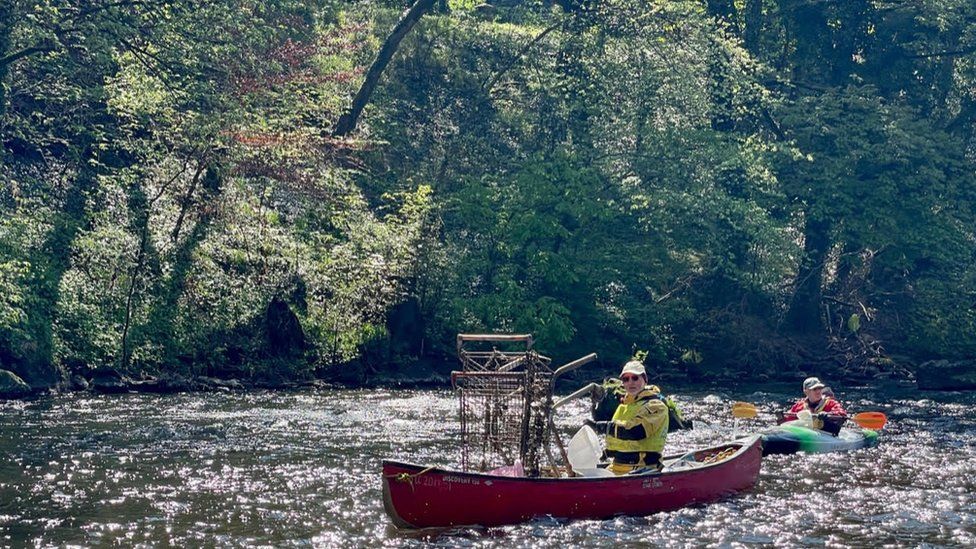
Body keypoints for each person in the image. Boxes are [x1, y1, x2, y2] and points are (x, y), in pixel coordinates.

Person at [585, 360, 669, 474]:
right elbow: (620, 439)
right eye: (626, 379)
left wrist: (599, 427)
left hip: (643, 467)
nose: (630, 382)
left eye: (635, 378)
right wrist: (606, 453)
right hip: (618, 465)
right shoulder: (624, 405)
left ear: (645, 380)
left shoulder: (656, 406)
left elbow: (635, 432)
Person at [781, 377, 848, 435]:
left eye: (820, 388)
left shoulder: (830, 403)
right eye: (814, 389)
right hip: (808, 434)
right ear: (806, 391)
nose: (818, 391)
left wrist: (828, 414)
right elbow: (787, 421)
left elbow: (842, 413)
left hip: (827, 434)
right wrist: (780, 417)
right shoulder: (799, 406)